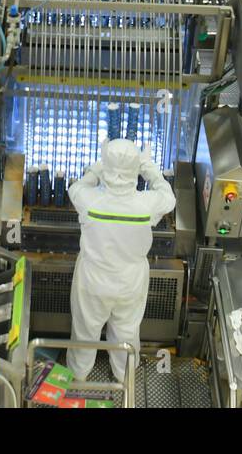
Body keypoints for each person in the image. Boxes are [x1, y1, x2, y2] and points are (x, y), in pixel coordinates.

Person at [67, 138, 176, 382]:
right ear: (135, 170)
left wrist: (99, 165)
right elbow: (169, 197)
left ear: (106, 167)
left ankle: (78, 378)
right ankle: (124, 377)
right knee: (127, 333)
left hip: (92, 281)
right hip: (129, 283)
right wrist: (147, 167)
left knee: (84, 333)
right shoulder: (145, 205)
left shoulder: (88, 200)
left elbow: (77, 187)